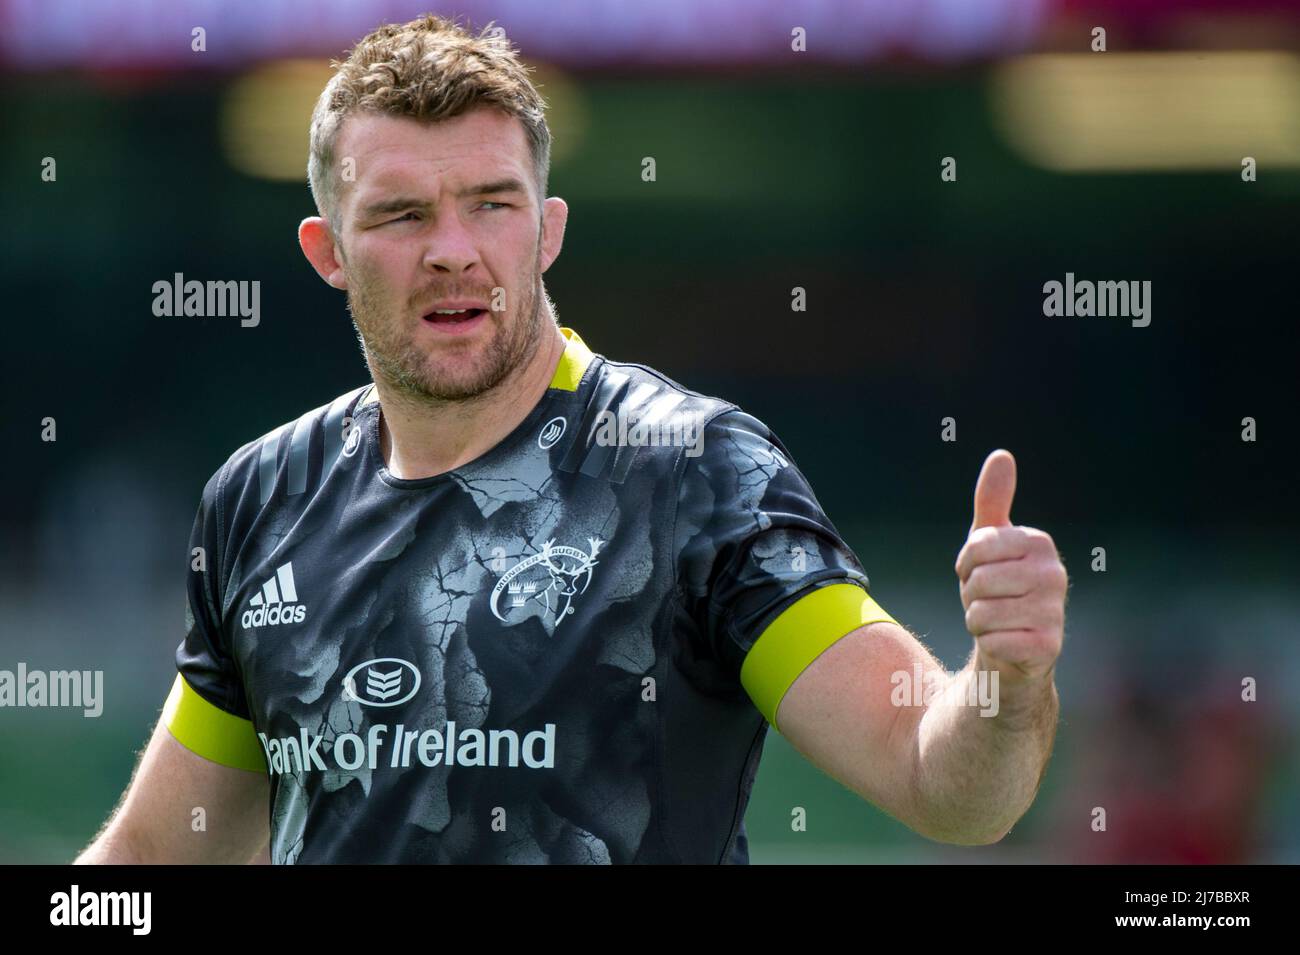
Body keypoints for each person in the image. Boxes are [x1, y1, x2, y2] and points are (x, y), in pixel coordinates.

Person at [76, 14, 1067, 865]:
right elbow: (153, 861)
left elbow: (940, 781)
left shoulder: (697, 473)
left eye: (490, 204)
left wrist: (1004, 681)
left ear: (546, 231)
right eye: (401, 214)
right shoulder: (263, 498)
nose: (453, 250)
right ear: (327, 251)